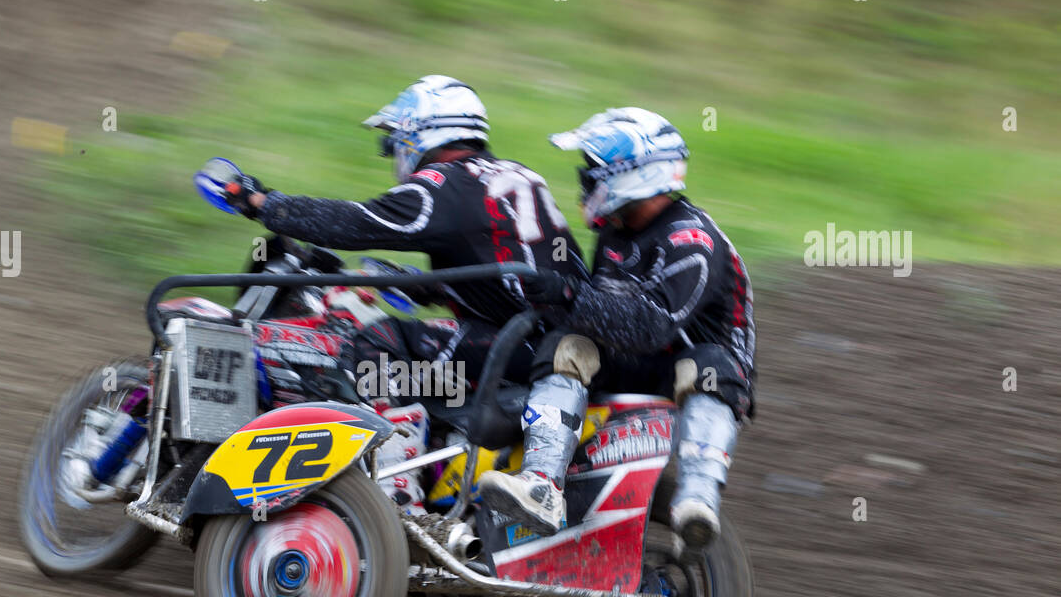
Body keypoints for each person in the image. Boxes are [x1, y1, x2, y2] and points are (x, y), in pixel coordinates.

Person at [218, 75, 595, 512]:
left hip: (520, 342)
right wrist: (424, 286)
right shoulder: (514, 173)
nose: (392, 151)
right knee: (423, 343)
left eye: (394, 140)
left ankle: (397, 496)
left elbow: (358, 222)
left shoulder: (441, 185)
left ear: (421, 134)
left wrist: (265, 204)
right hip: (557, 335)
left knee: (379, 342)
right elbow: (509, 261)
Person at [479, 107, 755, 549]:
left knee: (705, 365)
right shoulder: (617, 232)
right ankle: (541, 485)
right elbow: (602, 312)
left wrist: (567, 294)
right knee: (565, 344)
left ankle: (697, 499)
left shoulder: (691, 240)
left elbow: (650, 327)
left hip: (702, 373)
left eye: (594, 171)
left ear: (635, 175)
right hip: (639, 359)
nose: (585, 180)